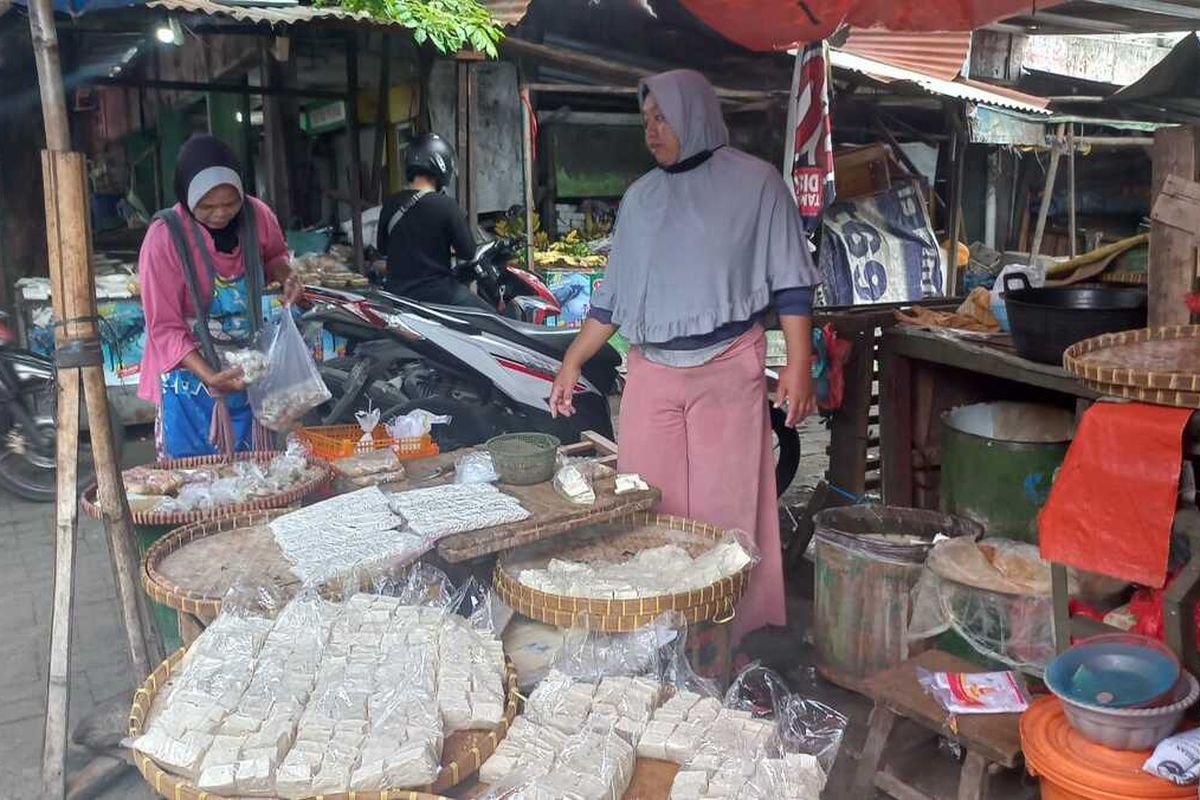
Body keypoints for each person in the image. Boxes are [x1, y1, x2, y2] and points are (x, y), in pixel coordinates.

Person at [548, 70, 820, 644]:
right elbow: (611, 300)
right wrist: (572, 361)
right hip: (651, 372)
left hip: (728, 364)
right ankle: (657, 637)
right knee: (648, 502)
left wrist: (798, 364)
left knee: (724, 510)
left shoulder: (758, 185)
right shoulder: (640, 199)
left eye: (663, 117)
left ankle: (724, 638)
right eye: (646, 119)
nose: (652, 130)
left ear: (695, 114)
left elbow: (792, 283)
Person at [138, 135, 302, 459]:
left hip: (246, 372)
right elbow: (165, 327)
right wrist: (211, 376)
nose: (221, 213)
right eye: (207, 206)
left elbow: (274, 255)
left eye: (230, 203)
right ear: (187, 198)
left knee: (256, 475)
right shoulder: (165, 238)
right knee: (193, 478)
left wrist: (286, 275)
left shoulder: (257, 216)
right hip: (187, 381)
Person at [377, 133, 491, 310]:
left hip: (398, 296)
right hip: (440, 295)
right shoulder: (447, 205)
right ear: (442, 165)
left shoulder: (390, 204)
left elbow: (383, 249)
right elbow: (468, 252)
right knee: (490, 318)